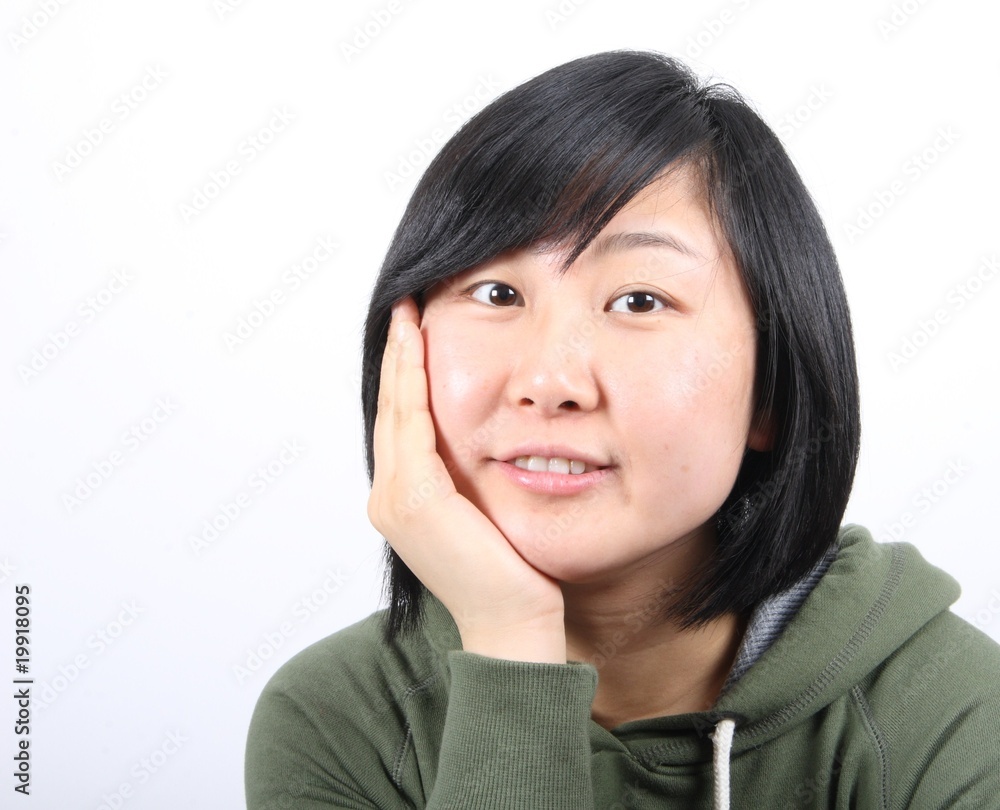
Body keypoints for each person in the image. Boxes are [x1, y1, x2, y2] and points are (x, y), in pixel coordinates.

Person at [244, 50, 1000, 808]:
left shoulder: (951, 712)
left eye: (640, 301)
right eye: (497, 291)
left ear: (771, 392)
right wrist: (513, 647)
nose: (548, 381)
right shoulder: (340, 724)